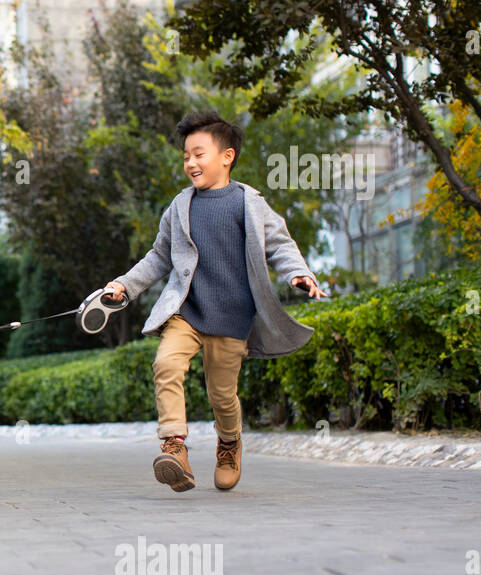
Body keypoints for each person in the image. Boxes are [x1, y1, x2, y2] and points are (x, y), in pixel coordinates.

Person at [99, 110, 325, 492]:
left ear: (227, 156)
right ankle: (175, 448)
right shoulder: (180, 206)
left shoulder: (248, 203)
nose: (190, 162)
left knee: (223, 397)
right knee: (165, 363)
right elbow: (158, 256)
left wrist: (299, 274)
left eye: (199, 154)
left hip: (232, 318)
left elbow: (281, 245)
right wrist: (124, 285)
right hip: (186, 311)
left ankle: (229, 443)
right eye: (186, 155)